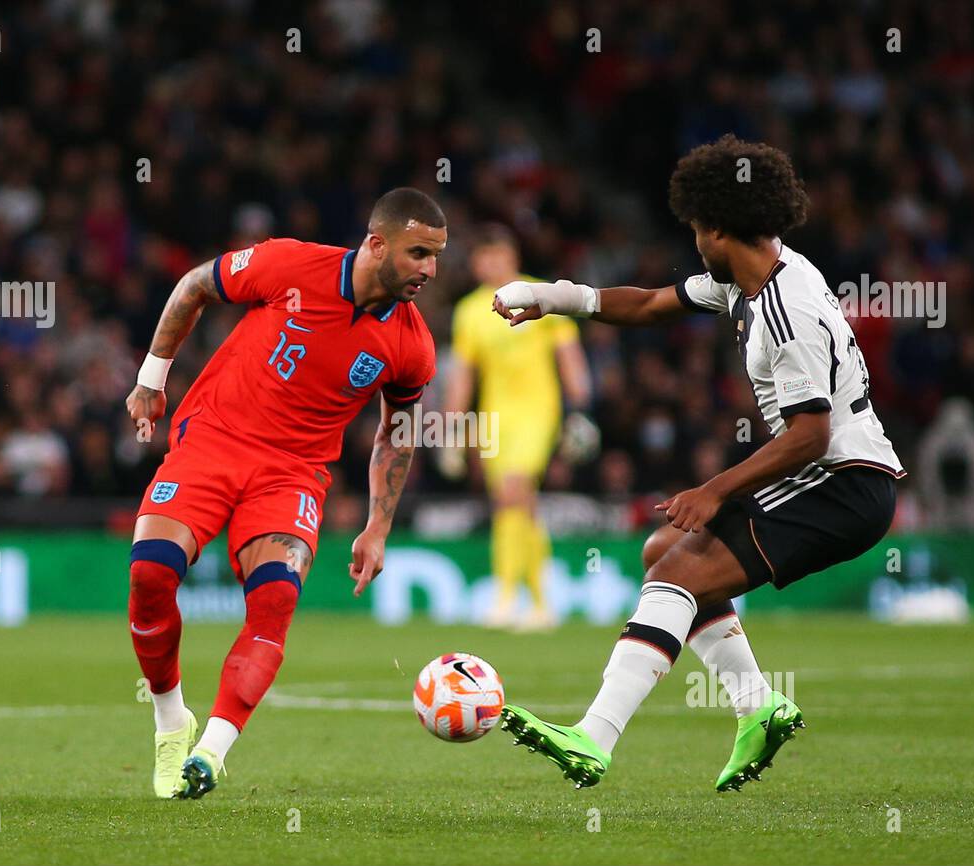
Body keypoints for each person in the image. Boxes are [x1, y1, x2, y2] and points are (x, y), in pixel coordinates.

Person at [492, 135, 905, 791]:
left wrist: (713, 489)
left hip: (843, 483)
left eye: (693, 228)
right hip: (830, 477)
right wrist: (556, 298)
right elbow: (652, 304)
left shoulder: (785, 308)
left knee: (680, 568)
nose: (692, 241)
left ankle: (593, 738)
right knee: (665, 552)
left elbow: (811, 435)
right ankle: (758, 708)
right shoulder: (754, 275)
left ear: (715, 226)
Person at [125, 187, 446, 798]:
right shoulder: (290, 264)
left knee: (273, 602)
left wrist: (378, 526)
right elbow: (195, 284)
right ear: (376, 243)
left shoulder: (411, 344)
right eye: (418, 253)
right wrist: (151, 379)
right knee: (150, 575)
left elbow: (397, 433)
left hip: (293, 473)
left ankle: (211, 753)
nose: (429, 270)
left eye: (435, 256)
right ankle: (171, 720)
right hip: (212, 441)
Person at [442, 224, 594, 631]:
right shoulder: (469, 311)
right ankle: (541, 602)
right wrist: (453, 431)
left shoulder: (541, 294)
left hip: (536, 412)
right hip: (494, 418)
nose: (490, 263)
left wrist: (581, 410)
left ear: (513, 257)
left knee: (514, 488)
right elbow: (463, 375)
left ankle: (507, 597)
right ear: (475, 263)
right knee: (512, 502)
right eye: (483, 257)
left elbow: (570, 358)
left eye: (498, 255)